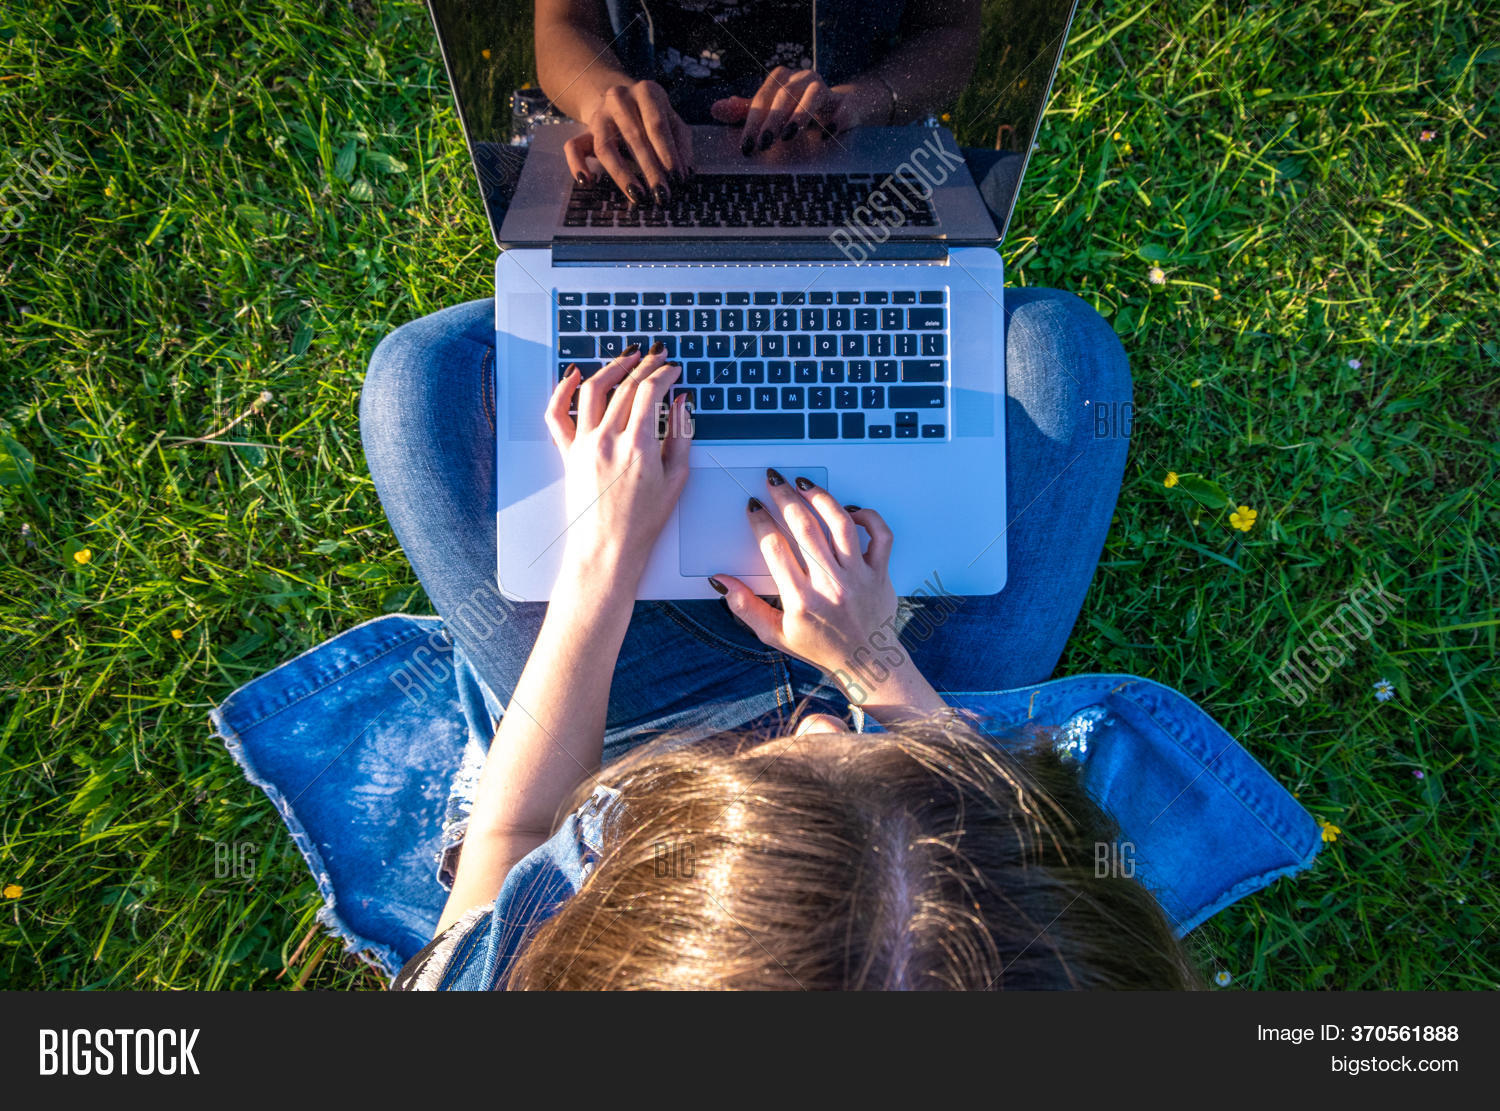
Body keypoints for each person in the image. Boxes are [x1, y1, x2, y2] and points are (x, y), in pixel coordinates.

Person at [534, 0, 981, 200]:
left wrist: (864, 98)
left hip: (849, 141)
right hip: (647, 151)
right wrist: (605, 98)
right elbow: (564, 22)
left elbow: (949, 31)